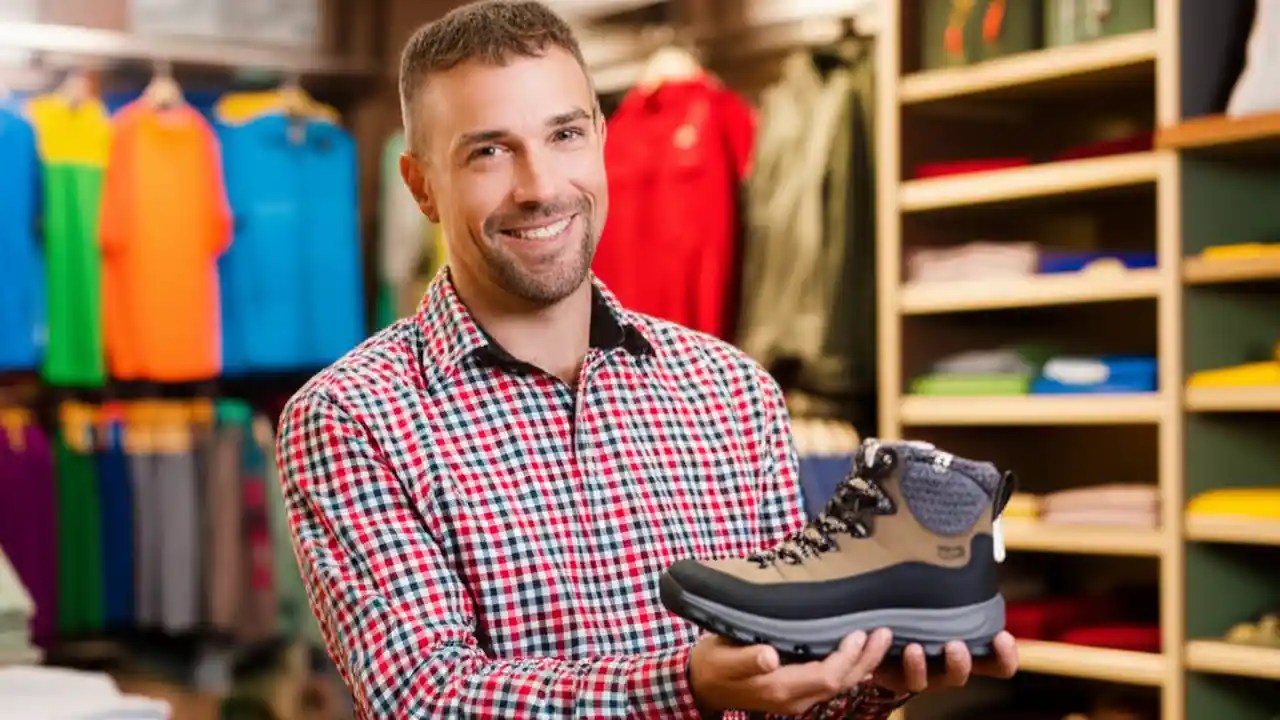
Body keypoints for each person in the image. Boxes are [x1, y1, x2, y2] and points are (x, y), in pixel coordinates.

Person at [274, 1, 1019, 718]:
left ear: (600, 138)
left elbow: (781, 690)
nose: (540, 187)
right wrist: (686, 685)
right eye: (490, 151)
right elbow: (428, 698)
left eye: (564, 134)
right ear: (421, 186)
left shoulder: (732, 390)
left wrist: (872, 676)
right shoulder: (353, 417)